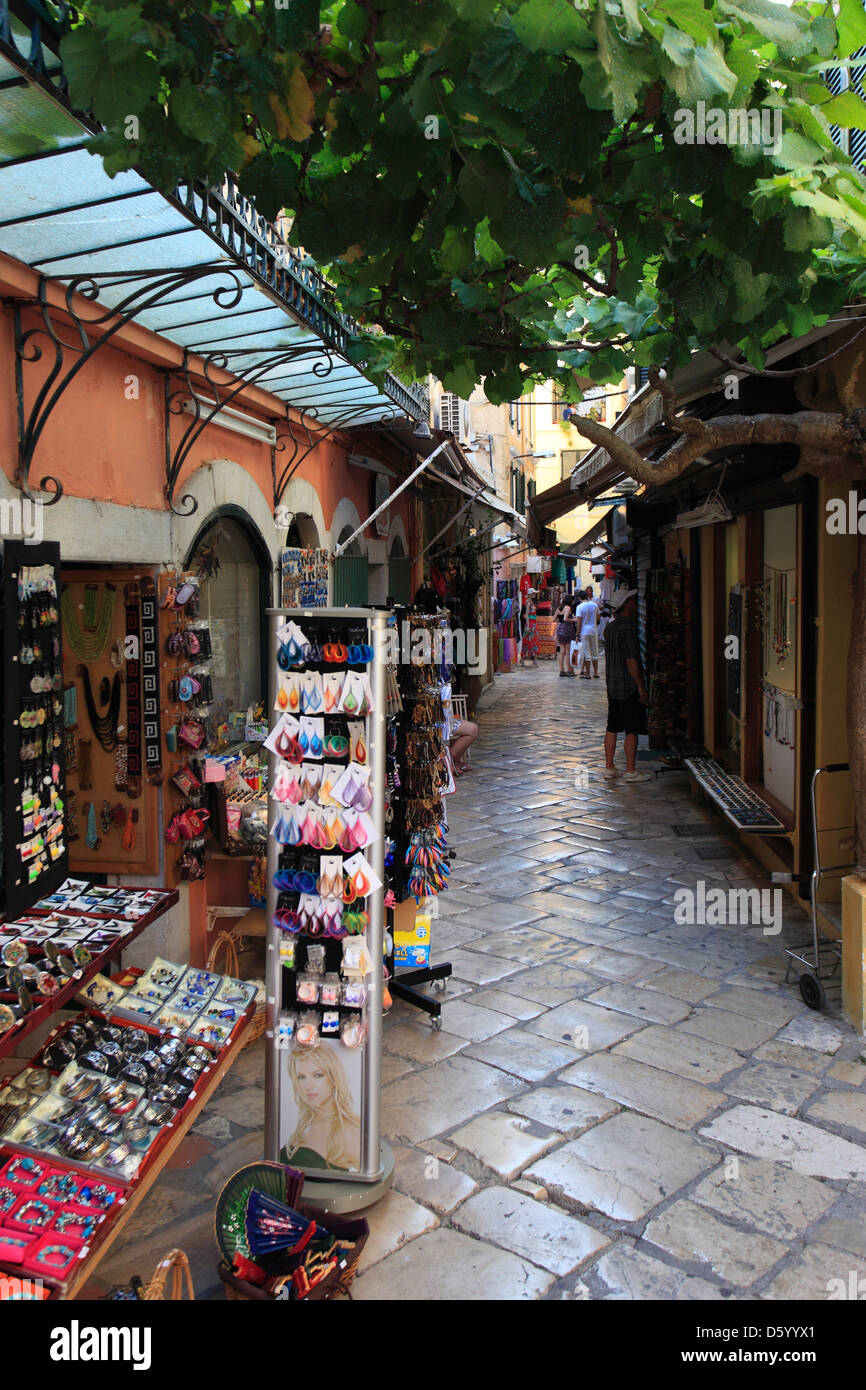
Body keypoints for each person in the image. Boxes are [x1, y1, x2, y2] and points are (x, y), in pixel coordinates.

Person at [280, 1046, 362, 1170]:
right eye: (301, 1077)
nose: (308, 1086)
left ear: (333, 1077)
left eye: (317, 1075)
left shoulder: (352, 1132)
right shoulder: (297, 1131)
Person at [603, 588, 652, 783]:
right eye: (632, 600)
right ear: (626, 604)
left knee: (612, 726)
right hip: (627, 686)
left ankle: (609, 767)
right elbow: (631, 659)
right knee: (631, 728)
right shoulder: (627, 629)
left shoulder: (610, 629)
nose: (634, 602)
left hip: (613, 686)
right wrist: (640, 686)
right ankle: (631, 770)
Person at [575, 584, 601, 680]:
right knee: (595, 652)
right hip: (593, 630)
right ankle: (596, 672)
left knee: (586, 653)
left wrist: (577, 635)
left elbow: (579, 623)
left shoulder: (580, 607)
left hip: (584, 632)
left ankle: (588, 673)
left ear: (579, 598)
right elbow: (598, 618)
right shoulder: (594, 605)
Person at [553, 593, 577, 676]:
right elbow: (565, 618)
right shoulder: (568, 608)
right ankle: (569, 670)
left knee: (561, 650)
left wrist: (560, 622)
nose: (573, 602)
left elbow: (553, 619)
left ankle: (561, 670)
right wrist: (574, 620)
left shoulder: (559, 608)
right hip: (567, 629)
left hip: (560, 629)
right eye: (573, 600)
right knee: (567, 651)